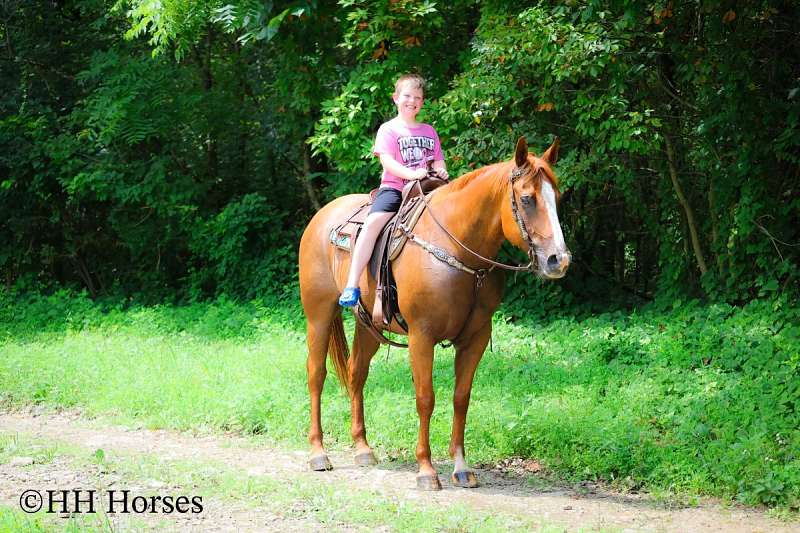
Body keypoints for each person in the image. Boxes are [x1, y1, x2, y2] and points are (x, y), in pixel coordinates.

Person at [338, 73, 449, 307]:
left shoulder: (429, 131)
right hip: (396, 189)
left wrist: (441, 171)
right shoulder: (388, 129)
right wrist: (411, 174)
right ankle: (352, 284)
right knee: (372, 224)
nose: (412, 101)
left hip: (427, 190)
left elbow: (438, 160)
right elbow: (387, 162)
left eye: (417, 97)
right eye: (407, 96)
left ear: (422, 102)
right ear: (396, 98)